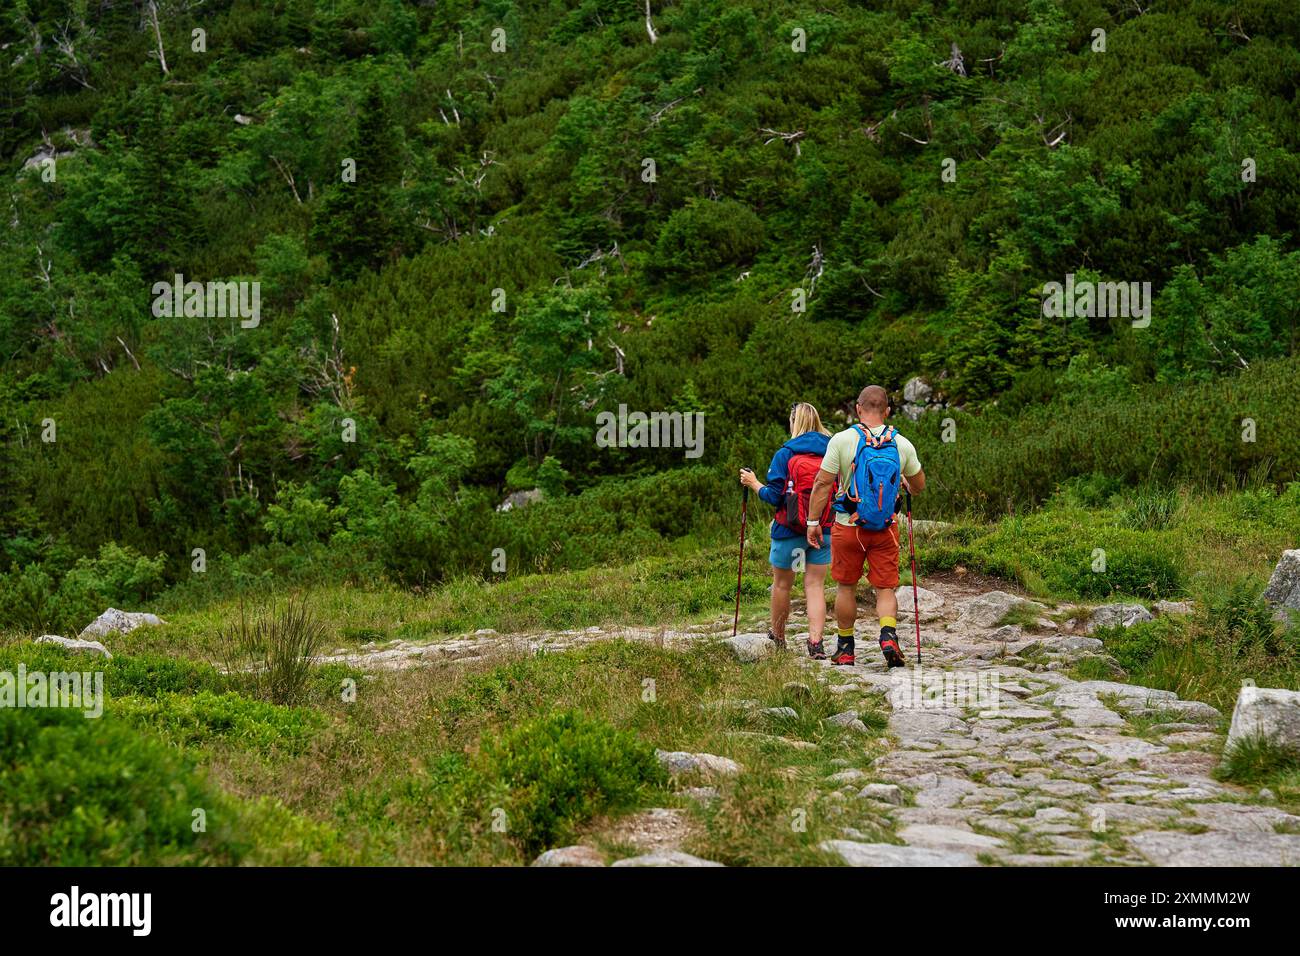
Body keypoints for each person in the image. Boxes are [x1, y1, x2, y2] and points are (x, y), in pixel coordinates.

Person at [806, 385, 926, 667]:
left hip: (848, 527)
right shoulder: (902, 444)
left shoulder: (841, 440)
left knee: (846, 587)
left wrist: (813, 522)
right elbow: (919, 486)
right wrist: (904, 482)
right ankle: (887, 635)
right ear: (887, 411)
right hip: (884, 529)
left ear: (858, 409)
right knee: (885, 589)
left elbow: (823, 483)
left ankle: (845, 648)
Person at [738, 402, 835, 658]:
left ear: (794, 422)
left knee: (782, 585)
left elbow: (774, 496)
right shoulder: (832, 450)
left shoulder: (786, 453)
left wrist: (753, 482)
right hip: (823, 528)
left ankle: (779, 638)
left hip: (790, 530)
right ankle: (816, 643)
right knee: (815, 585)